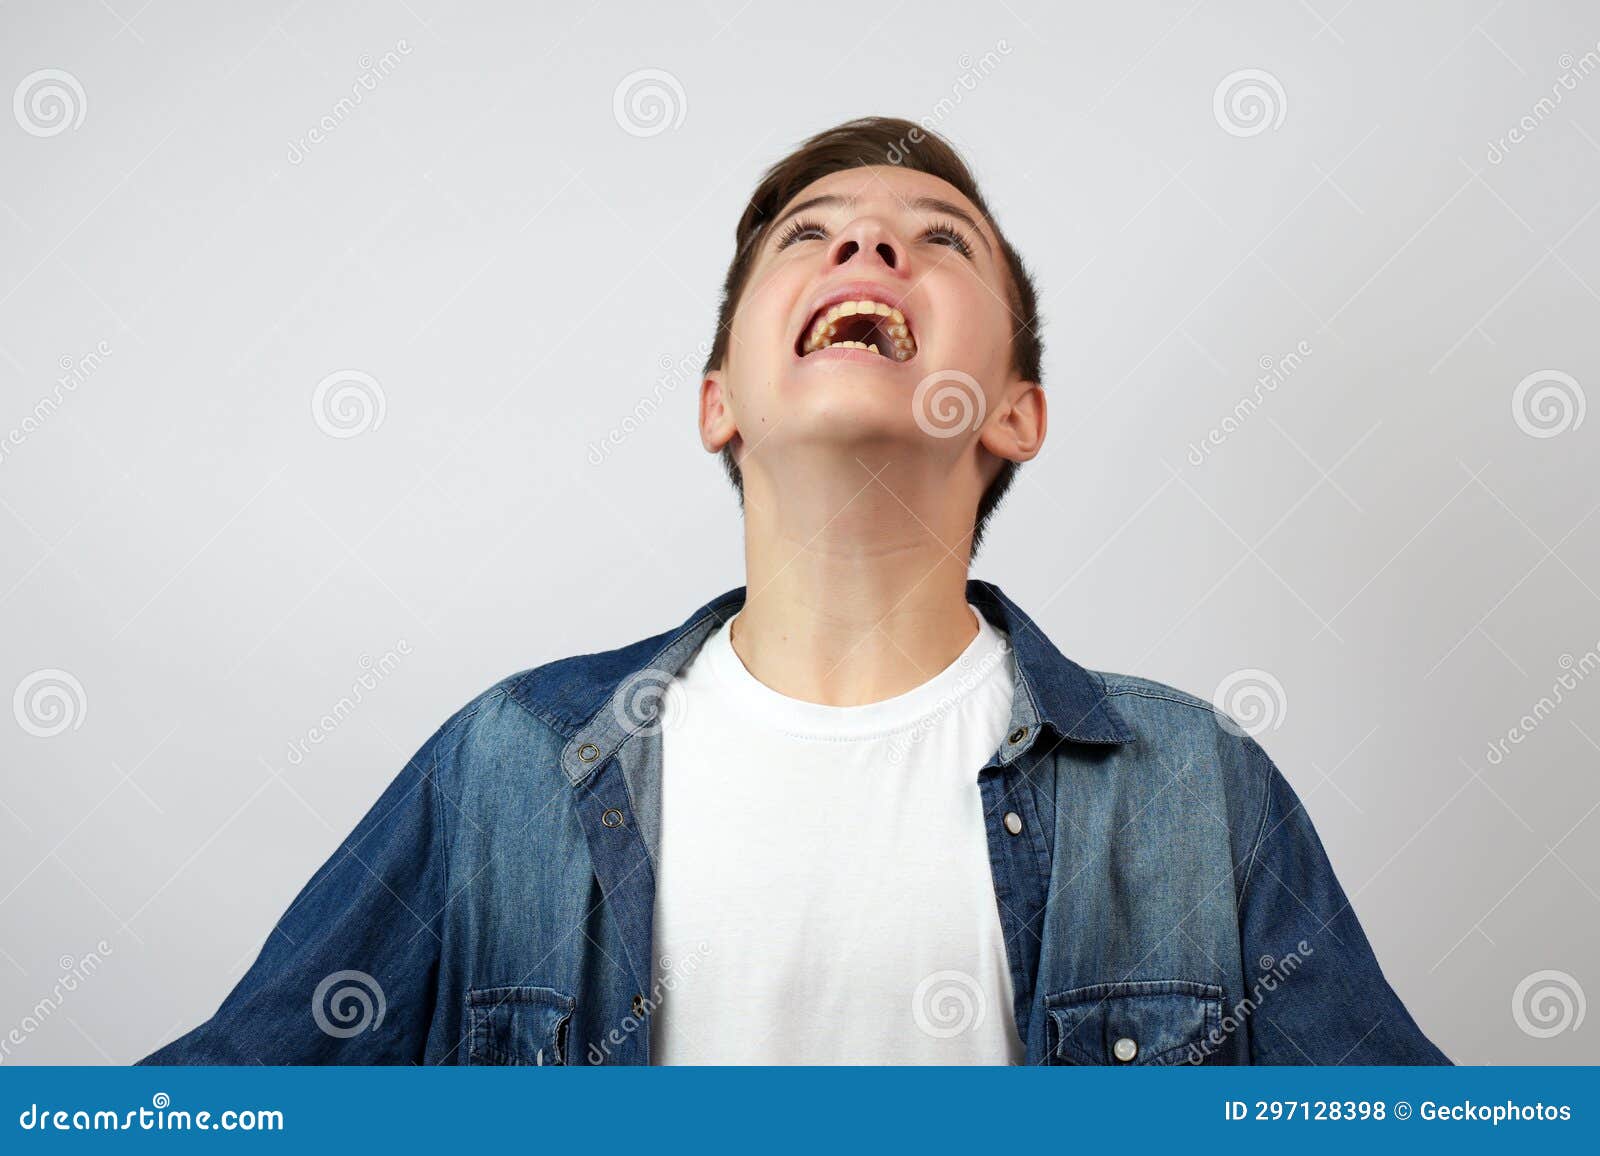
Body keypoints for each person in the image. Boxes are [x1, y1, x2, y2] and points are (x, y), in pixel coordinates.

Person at [142, 117, 1447, 1066]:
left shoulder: (1196, 787)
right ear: (721, 400)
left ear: (1016, 411)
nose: (868, 242)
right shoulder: (510, 764)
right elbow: (218, 1108)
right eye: (808, 236)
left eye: (940, 240)